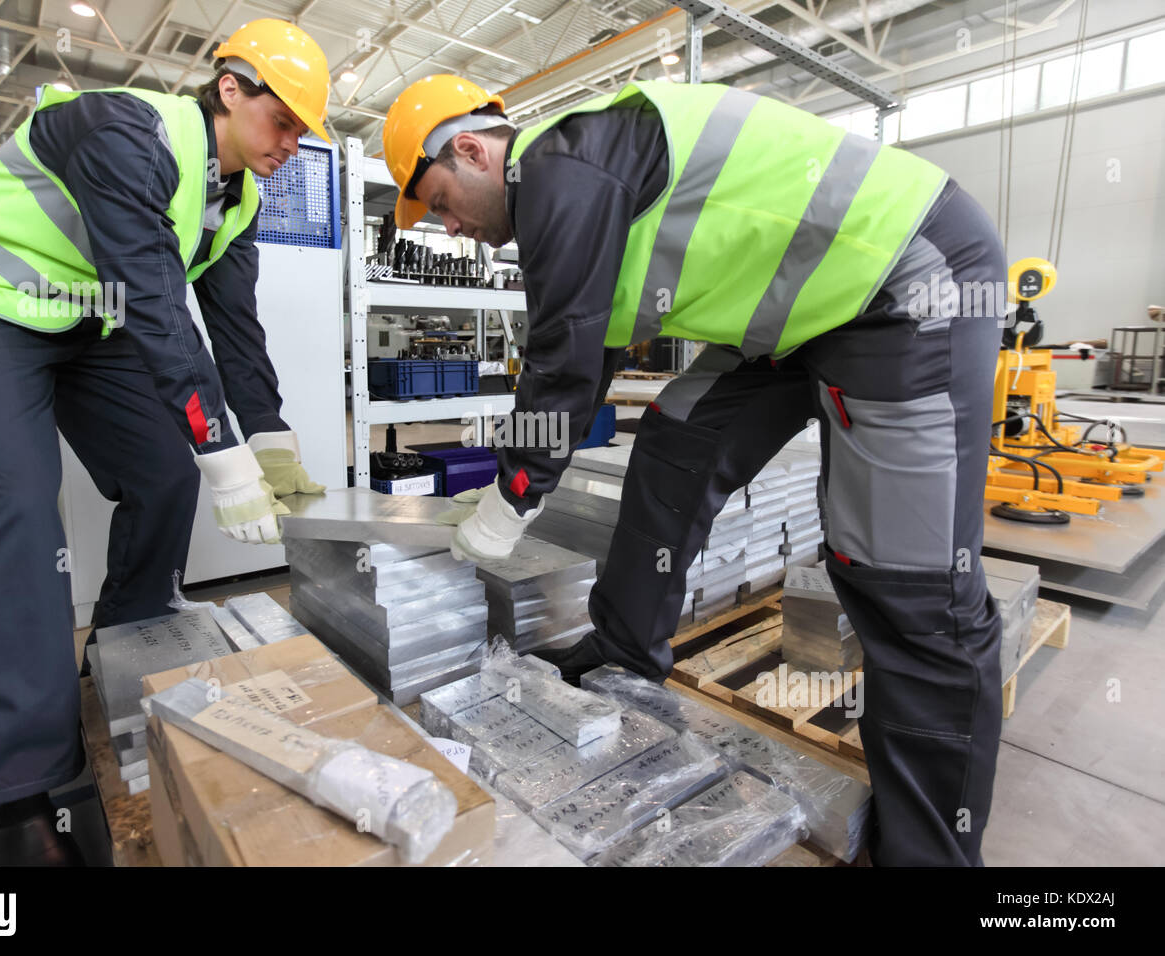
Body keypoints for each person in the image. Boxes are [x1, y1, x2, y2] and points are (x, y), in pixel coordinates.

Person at [383, 74, 1006, 866]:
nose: (452, 228)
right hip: (796, 315)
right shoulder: (578, 182)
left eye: (438, 202)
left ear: (469, 150)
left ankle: (931, 854)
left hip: (899, 279)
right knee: (676, 442)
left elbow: (561, 361)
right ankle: (624, 655)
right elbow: (585, 358)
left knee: (908, 584)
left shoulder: (560, 170)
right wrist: (522, 475)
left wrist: (512, 496)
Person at [0, 18, 330, 866]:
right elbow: (153, 296)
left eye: (303, 131)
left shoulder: (235, 198)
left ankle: (121, 652)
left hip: (83, 318)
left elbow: (234, 333)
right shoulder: (120, 131)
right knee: (20, 514)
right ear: (231, 88)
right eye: (282, 120)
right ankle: (25, 790)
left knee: (164, 476)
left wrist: (272, 437)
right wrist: (220, 443)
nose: (291, 144)